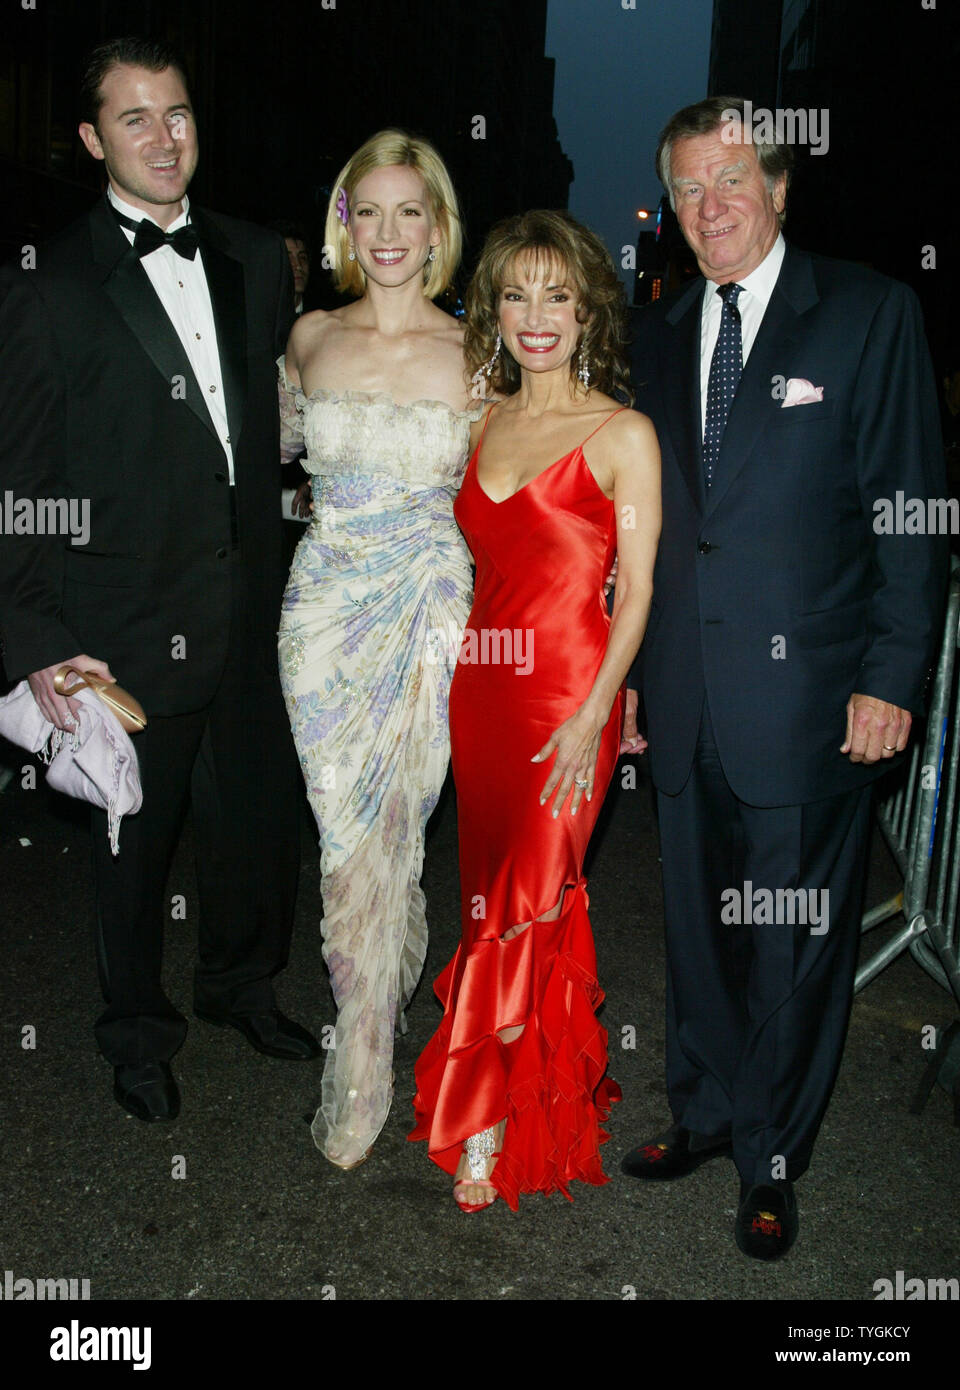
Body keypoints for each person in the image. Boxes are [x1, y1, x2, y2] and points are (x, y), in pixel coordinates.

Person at [621, 97, 947, 1258]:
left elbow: (909, 516)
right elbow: (642, 528)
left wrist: (892, 677)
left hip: (815, 700)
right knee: (701, 927)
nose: (713, 208)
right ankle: (704, 1113)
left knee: (795, 939)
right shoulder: (653, 333)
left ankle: (771, 1153)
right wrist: (622, 683)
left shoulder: (868, 313)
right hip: (684, 690)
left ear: (781, 185)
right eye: (690, 189)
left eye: (734, 180)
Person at [0, 37, 319, 1123]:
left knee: (256, 822)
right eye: (134, 118)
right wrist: (36, 638)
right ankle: (136, 1030)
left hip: (255, 610)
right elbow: (22, 478)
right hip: (122, 624)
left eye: (177, 112)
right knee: (133, 846)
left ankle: (240, 985)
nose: (163, 136)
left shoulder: (251, 259)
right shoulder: (46, 283)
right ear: (92, 138)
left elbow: (269, 433)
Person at [409, 210, 660, 1211]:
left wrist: (597, 711)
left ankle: (485, 1117)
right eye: (516, 294)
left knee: (524, 899)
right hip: (484, 691)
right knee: (489, 901)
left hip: (568, 696)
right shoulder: (480, 419)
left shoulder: (623, 433)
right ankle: (528, 1083)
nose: (536, 315)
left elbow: (636, 590)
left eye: (557, 294)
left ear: (590, 306)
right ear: (495, 311)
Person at [277, 130, 478, 1169]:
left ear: (438, 228)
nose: (390, 233)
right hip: (322, 614)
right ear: (344, 221)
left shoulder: (479, 350)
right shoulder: (308, 338)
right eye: (371, 211)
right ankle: (360, 1050)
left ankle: (368, 1047)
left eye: (413, 213)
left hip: (433, 605)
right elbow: (268, 470)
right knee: (343, 831)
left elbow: (522, 499)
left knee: (398, 828)